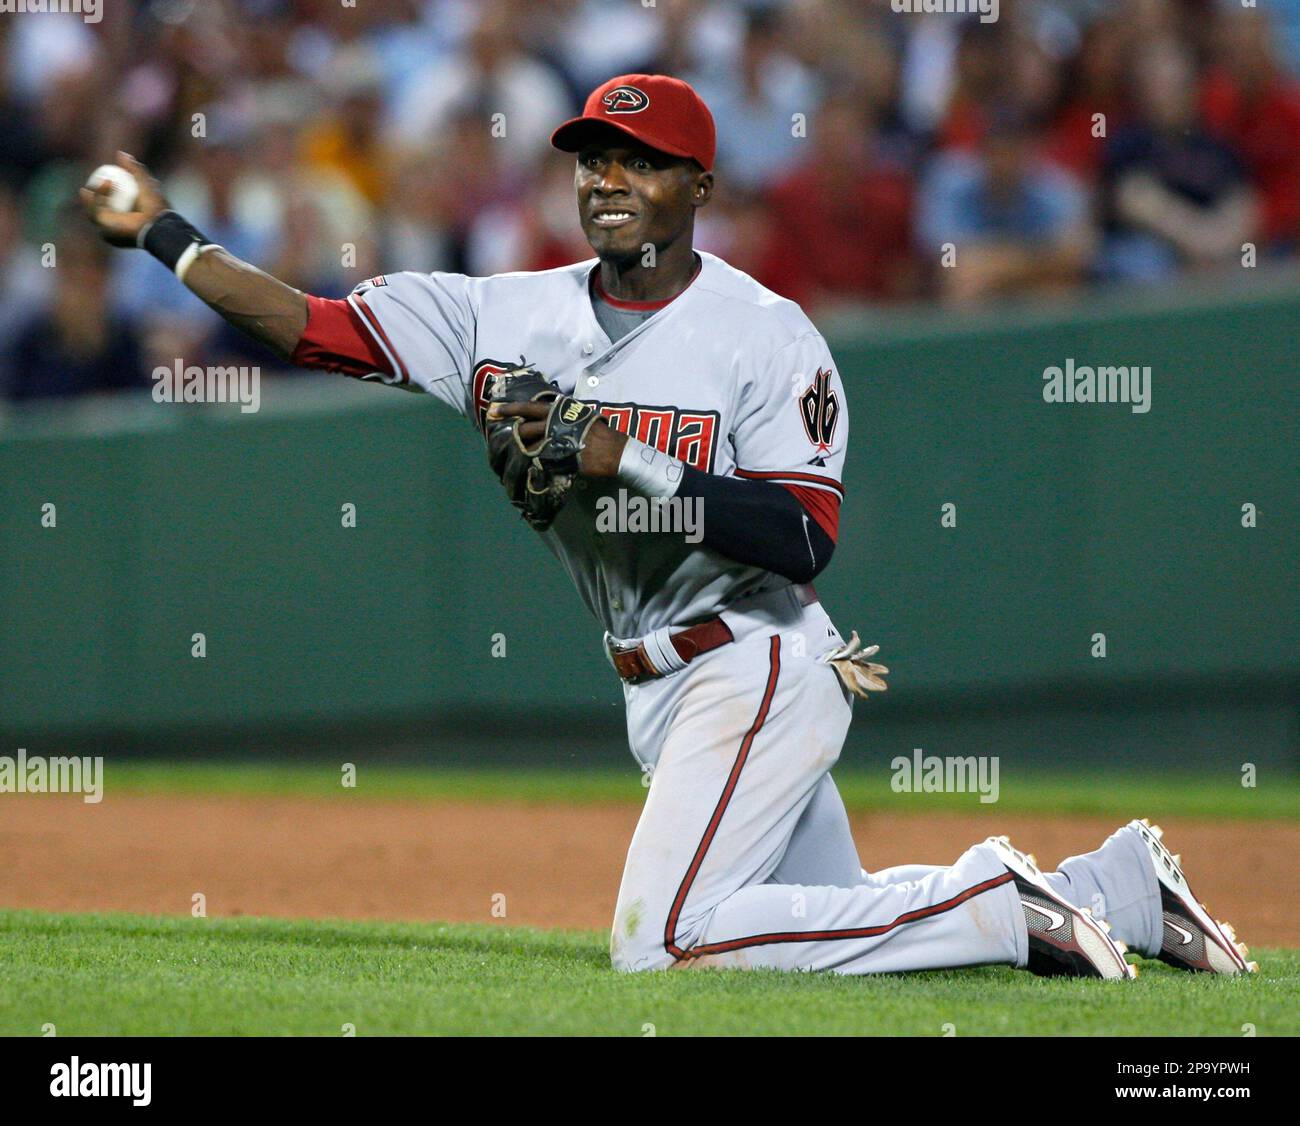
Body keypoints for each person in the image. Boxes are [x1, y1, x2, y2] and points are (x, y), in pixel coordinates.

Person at [82, 74, 1253, 979]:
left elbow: (801, 538)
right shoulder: (502, 311)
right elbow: (310, 327)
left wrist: (625, 456)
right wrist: (164, 231)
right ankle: (1112, 892)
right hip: (655, 684)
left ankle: (999, 902)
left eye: (639, 161)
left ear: (700, 187)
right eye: (593, 156)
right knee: (818, 946)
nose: (604, 178)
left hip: (757, 657)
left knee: (667, 941)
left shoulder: (766, 331)